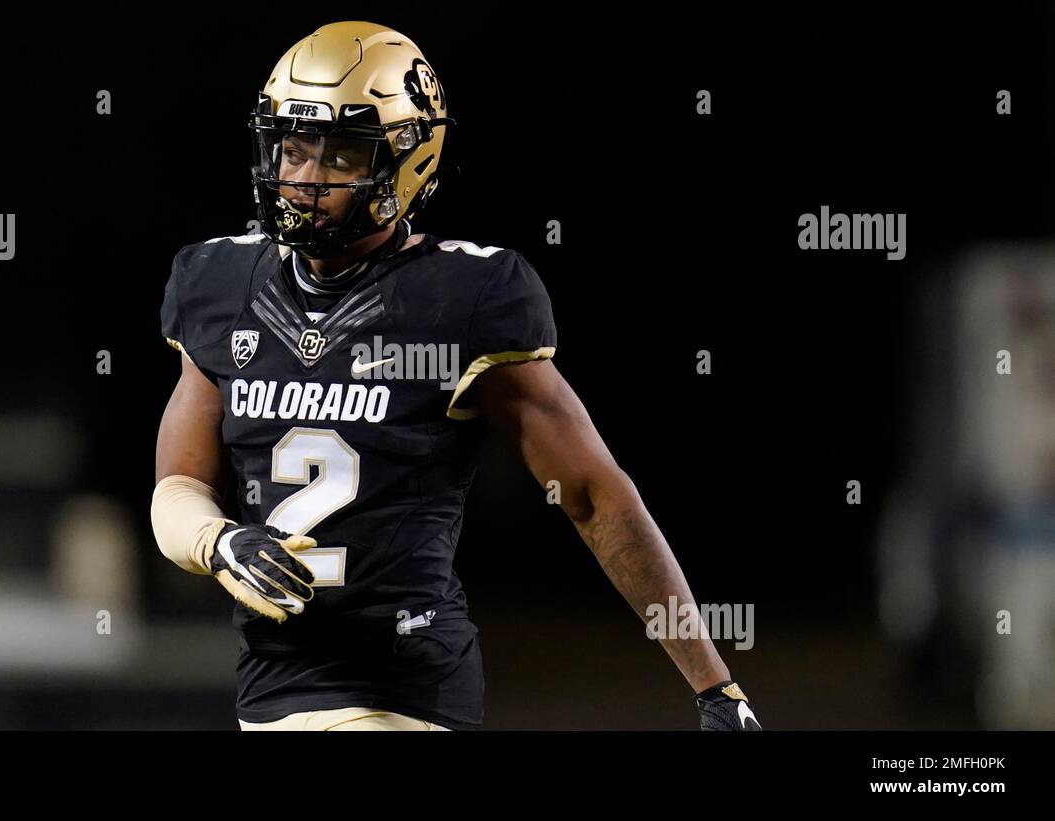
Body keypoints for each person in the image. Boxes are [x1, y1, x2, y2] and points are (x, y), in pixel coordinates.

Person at [151, 21, 761, 731]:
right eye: (292, 148)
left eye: (339, 156)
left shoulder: (465, 295)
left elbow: (594, 496)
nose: (304, 180)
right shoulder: (220, 281)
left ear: (406, 161)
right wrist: (218, 541)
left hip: (403, 688)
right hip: (270, 685)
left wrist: (713, 682)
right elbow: (179, 486)